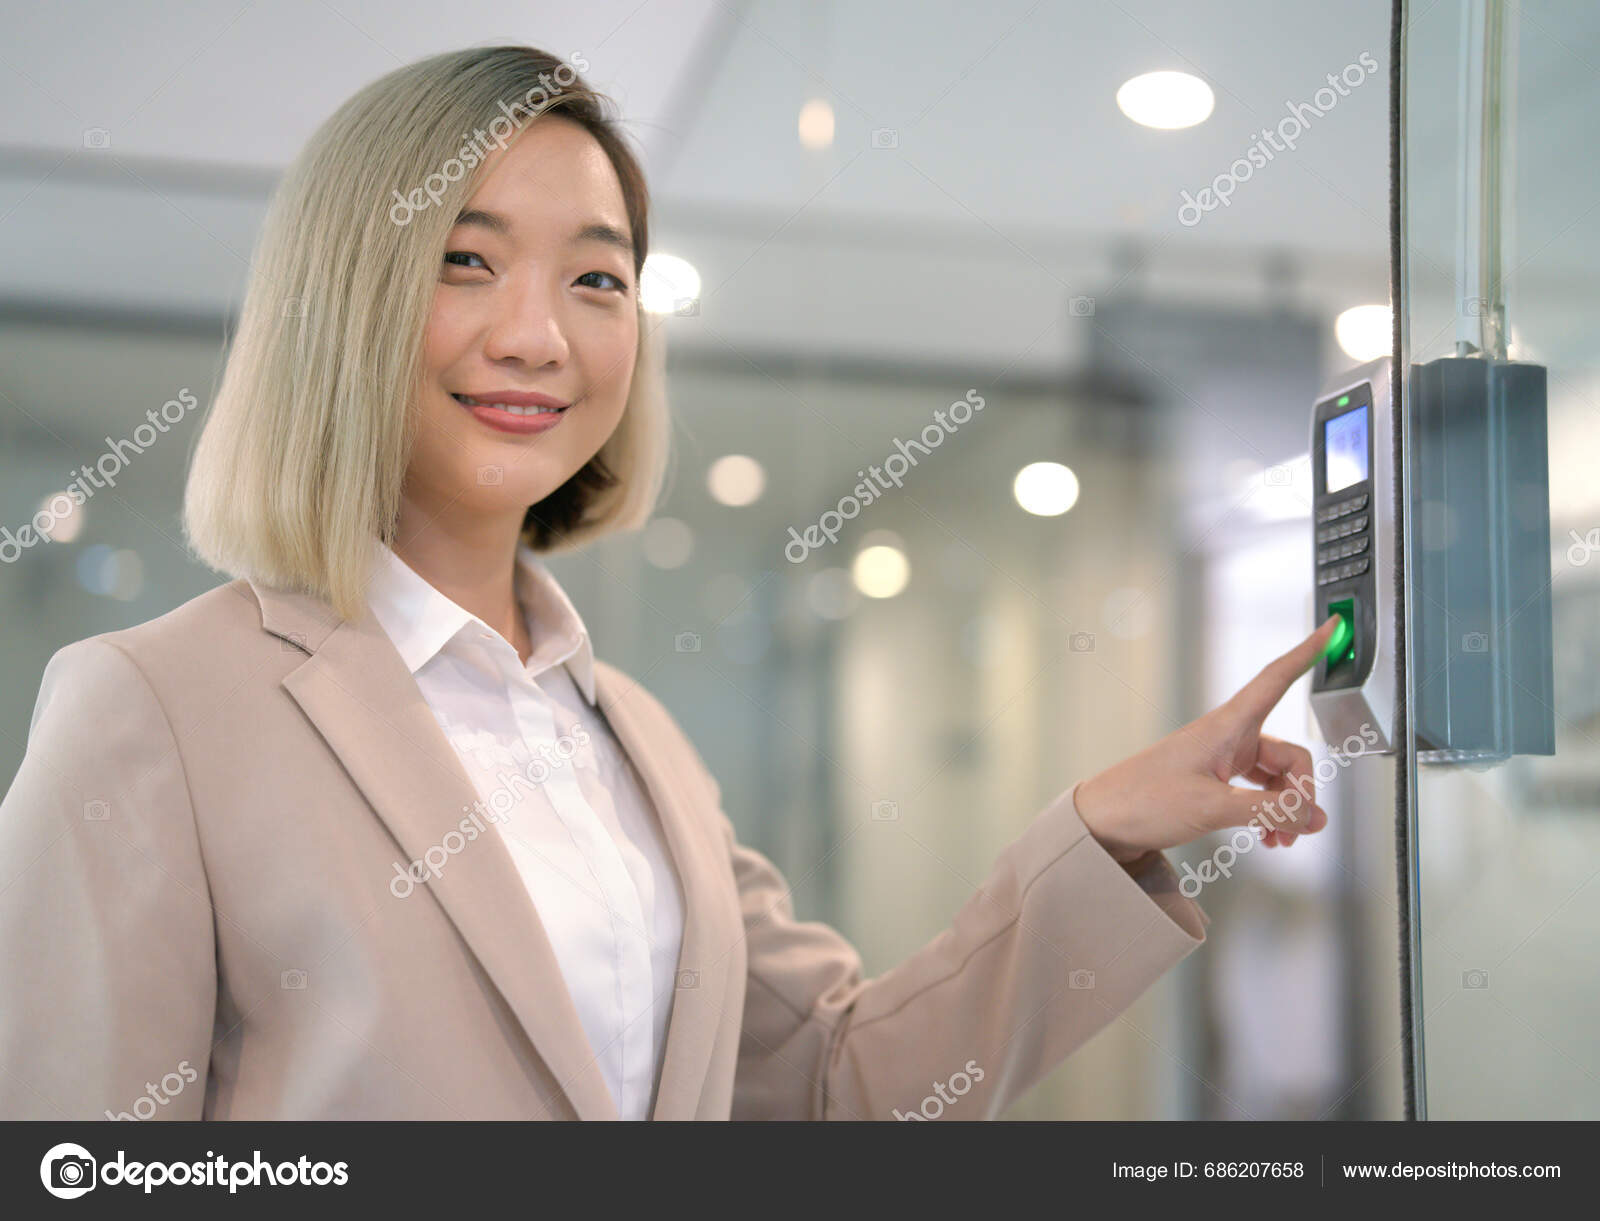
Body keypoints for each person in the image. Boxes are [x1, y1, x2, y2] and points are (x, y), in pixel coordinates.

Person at [0, 45, 1337, 1121]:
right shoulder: (154, 710)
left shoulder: (625, 736)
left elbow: (836, 1087)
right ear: (337, 298)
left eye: (598, 277)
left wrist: (1102, 830)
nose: (537, 335)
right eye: (467, 260)